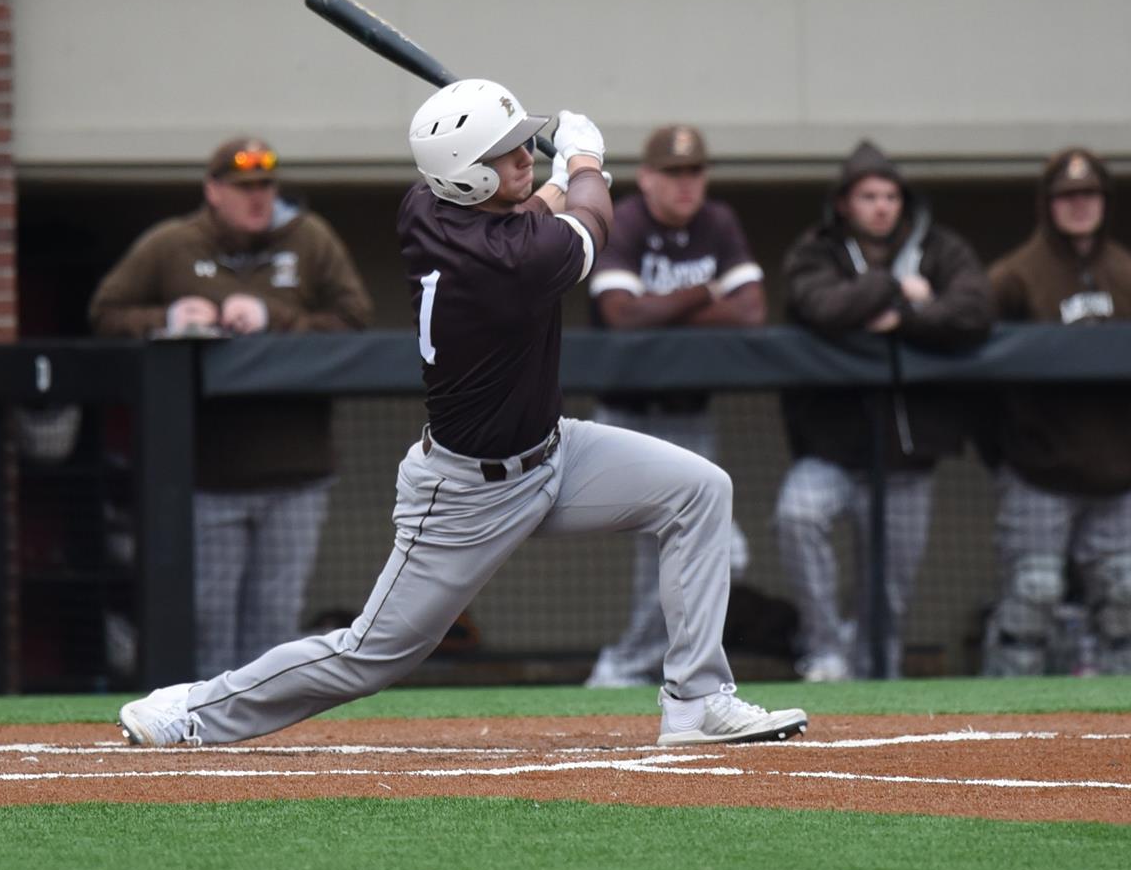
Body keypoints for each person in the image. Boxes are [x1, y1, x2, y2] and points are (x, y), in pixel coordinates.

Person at [116, 81, 806, 749]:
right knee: (370, 654)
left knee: (699, 490)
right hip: (468, 492)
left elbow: (529, 216)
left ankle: (696, 698)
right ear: (469, 178)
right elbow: (589, 226)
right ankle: (193, 709)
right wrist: (584, 163)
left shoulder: (427, 204)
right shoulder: (509, 261)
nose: (524, 156)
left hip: (555, 453)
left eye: (522, 145)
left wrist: (554, 180)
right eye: (506, 152)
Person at [89, 137, 372, 677]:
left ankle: (268, 726)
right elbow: (106, 313)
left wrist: (272, 317)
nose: (258, 196)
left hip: (296, 470)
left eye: (265, 185)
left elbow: (355, 321)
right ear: (214, 191)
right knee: (208, 620)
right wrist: (169, 319)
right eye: (243, 187)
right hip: (207, 474)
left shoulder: (309, 239)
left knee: (275, 622)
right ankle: (206, 722)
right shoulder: (173, 244)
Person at [774, 141, 993, 681]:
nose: (881, 207)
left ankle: (879, 674)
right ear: (844, 203)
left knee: (889, 591)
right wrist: (895, 288)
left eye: (891, 197)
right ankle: (826, 650)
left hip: (905, 458)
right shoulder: (817, 250)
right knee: (797, 515)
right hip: (831, 448)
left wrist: (906, 319)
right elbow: (823, 307)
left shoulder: (939, 248)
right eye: (868, 196)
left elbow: (975, 310)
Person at [583, 125, 764, 688]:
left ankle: (630, 666)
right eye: (673, 173)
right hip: (626, 420)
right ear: (647, 177)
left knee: (711, 553)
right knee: (669, 552)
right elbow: (622, 315)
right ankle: (628, 666)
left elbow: (751, 311)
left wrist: (663, 307)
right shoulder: (625, 220)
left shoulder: (718, 222)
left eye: (695, 172)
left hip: (690, 415)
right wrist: (704, 293)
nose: (687, 184)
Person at [982, 149, 1131, 676]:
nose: (1079, 206)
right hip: (1038, 470)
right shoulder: (1014, 276)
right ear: (1047, 204)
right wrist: (1002, 452)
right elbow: (977, 378)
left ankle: (1125, 722)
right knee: (1032, 596)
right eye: (1067, 197)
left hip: (1116, 473)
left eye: (1089, 195)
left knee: (1126, 596)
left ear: (1105, 202)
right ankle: (1001, 718)